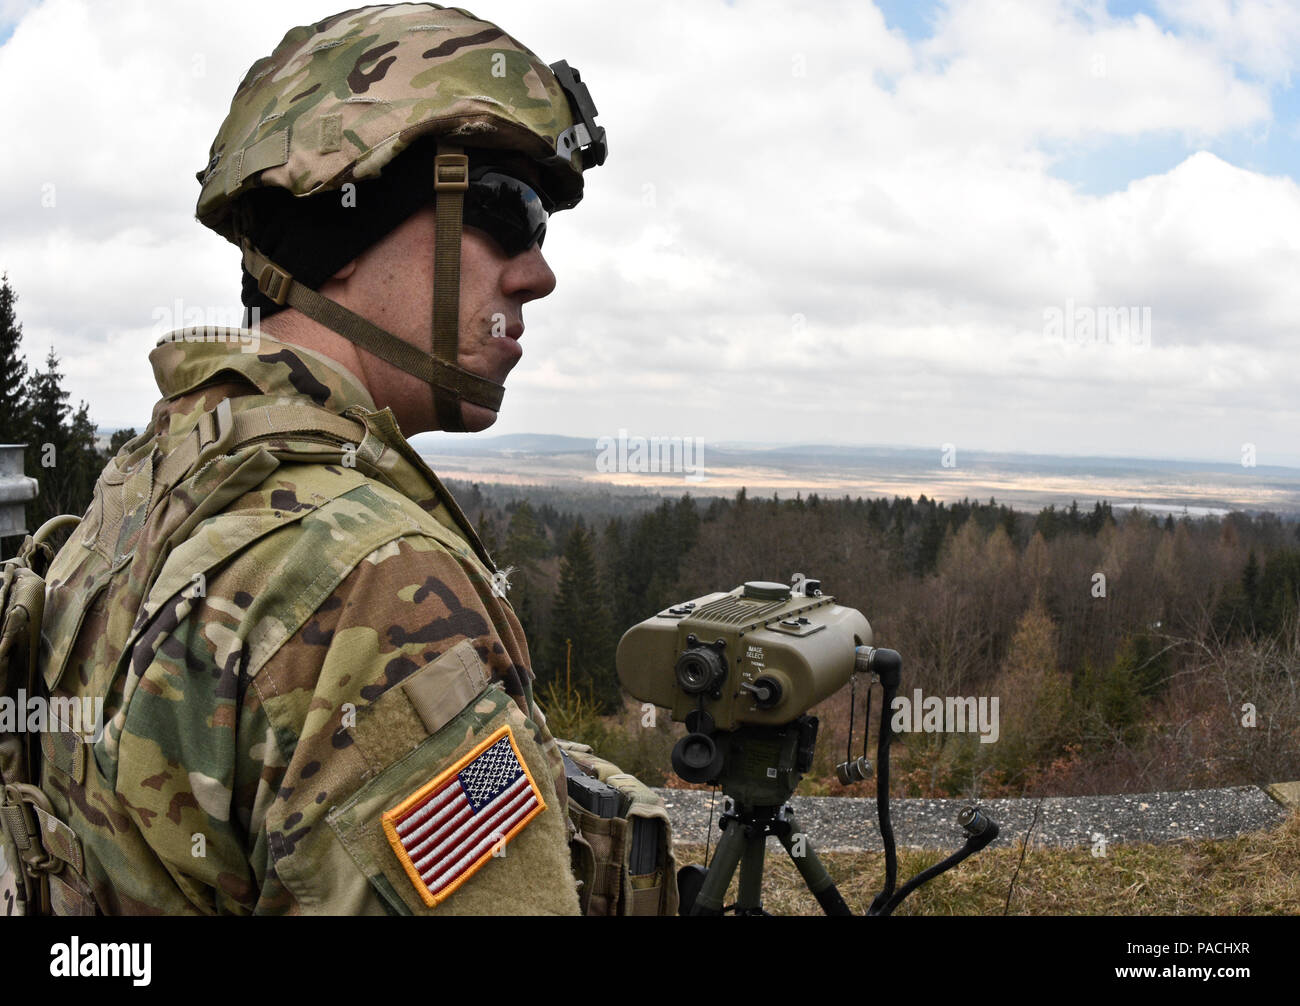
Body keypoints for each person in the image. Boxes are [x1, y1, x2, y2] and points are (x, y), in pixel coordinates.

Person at [2, 3, 626, 916]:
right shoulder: (368, 584)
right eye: (507, 209)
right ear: (344, 224)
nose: (537, 272)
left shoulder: (150, 485)